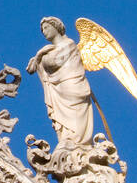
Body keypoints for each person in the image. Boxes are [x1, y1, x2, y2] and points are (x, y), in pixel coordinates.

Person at [26, 16, 95, 149]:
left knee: (75, 118)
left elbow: (54, 61)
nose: (44, 32)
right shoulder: (52, 48)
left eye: (46, 28)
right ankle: (68, 140)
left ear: (55, 27)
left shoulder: (68, 44)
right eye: (42, 30)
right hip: (59, 88)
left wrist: (40, 55)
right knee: (64, 123)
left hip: (72, 86)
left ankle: (78, 143)